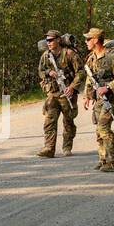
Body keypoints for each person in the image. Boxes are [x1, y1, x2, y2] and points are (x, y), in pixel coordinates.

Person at [81, 27, 114, 172]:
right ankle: (103, 159)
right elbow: (90, 79)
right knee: (98, 128)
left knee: (103, 126)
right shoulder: (92, 58)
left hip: (112, 97)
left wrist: (108, 87)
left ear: (96, 40)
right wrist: (87, 96)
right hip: (99, 98)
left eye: (88, 39)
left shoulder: (112, 56)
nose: (86, 42)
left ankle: (113, 161)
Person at [36, 29, 81, 157]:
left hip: (67, 93)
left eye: (51, 40)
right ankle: (49, 148)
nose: (48, 43)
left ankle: (67, 147)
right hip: (53, 93)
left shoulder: (69, 54)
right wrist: (49, 73)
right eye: (47, 40)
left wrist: (72, 87)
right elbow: (40, 71)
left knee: (68, 121)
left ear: (58, 40)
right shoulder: (46, 55)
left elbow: (81, 72)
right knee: (49, 121)